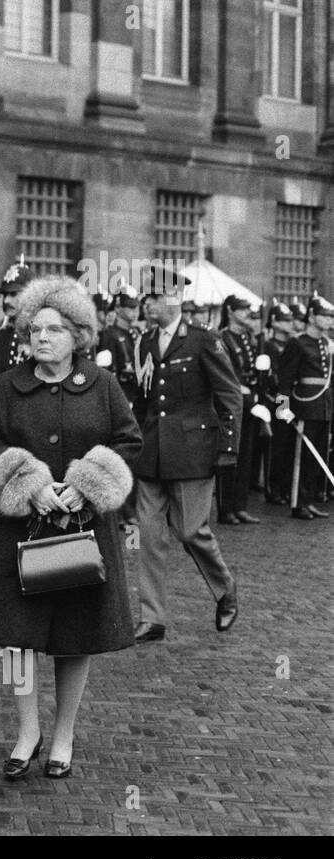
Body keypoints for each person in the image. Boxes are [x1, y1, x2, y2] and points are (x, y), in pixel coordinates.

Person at [0, 274, 141, 780]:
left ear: (79, 336)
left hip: (83, 530)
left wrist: (85, 483)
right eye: (35, 330)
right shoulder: (5, 387)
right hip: (20, 533)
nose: (42, 338)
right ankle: (27, 733)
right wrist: (31, 482)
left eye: (56, 330)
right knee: (20, 637)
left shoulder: (103, 386)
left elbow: (129, 442)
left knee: (74, 634)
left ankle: (63, 734)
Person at [132, 266, 242, 641]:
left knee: (191, 531)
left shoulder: (202, 341)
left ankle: (225, 589)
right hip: (152, 453)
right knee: (149, 534)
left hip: (193, 452)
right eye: (146, 298)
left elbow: (230, 396)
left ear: (172, 300)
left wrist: (228, 447)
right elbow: (142, 401)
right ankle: (153, 618)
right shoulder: (144, 342)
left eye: (153, 298)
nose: (146, 304)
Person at [275, 293, 334, 519]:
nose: (330, 320)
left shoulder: (327, 345)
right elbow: (285, 379)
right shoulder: (297, 343)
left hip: (323, 405)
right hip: (304, 405)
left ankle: (308, 500)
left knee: (317, 456)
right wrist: (283, 408)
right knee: (301, 456)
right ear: (312, 316)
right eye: (325, 316)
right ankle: (297, 502)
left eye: (331, 316)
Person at [216, 295, 267, 524]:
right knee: (230, 455)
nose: (247, 313)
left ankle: (240, 505)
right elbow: (226, 375)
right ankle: (226, 508)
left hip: (250, 401)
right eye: (243, 309)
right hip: (232, 403)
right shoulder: (223, 338)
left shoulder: (248, 338)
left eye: (249, 309)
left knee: (246, 455)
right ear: (230, 311)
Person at [262, 302, 298, 503]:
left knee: (290, 447)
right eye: (284, 320)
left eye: (290, 320)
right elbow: (272, 380)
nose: (289, 323)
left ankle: (285, 487)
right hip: (277, 401)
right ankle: (273, 488)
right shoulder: (268, 345)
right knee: (277, 446)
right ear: (274, 322)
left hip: (294, 400)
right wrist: (283, 406)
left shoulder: (294, 344)